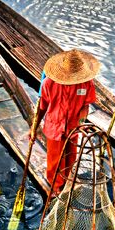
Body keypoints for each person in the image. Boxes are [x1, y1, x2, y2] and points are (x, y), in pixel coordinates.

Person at [35, 49, 99, 195]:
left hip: (73, 126)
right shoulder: (48, 83)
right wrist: (35, 127)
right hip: (54, 125)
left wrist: (81, 122)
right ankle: (56, 185)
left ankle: (68, 179)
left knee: (71, 156)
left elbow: (85, 106)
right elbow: (42, 107)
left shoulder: (86, 84)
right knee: (55, 159)